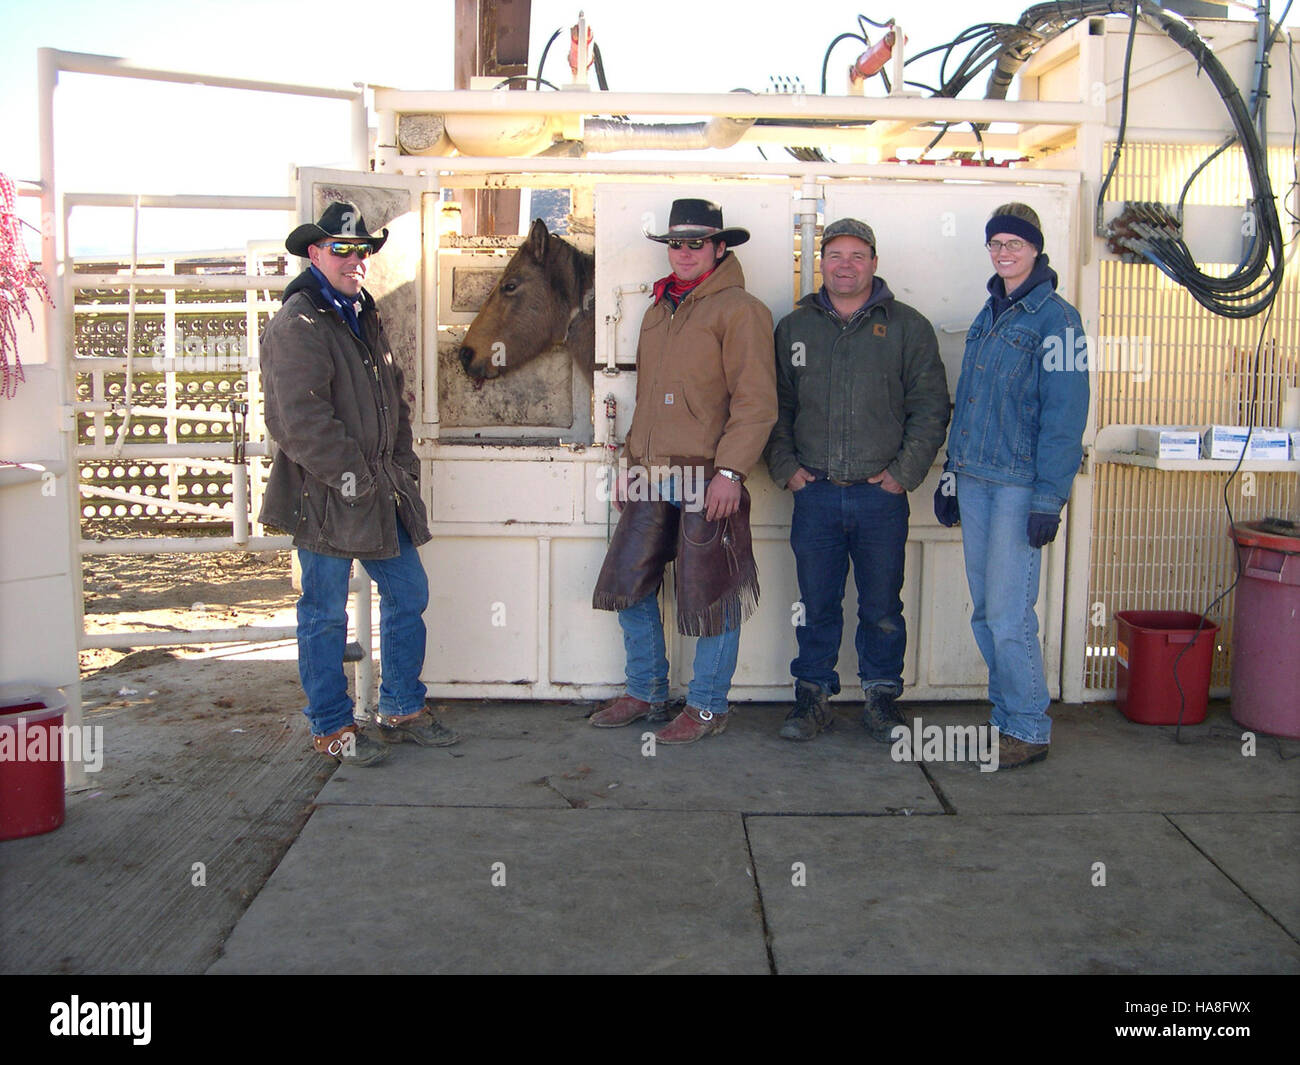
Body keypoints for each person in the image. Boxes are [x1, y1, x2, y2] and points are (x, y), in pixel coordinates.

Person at [260, 201, 457, 766]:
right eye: (342, 249)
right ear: (314, 253)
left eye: (362, 249)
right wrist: (355, 479)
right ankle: (330, 725)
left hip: (377, 489)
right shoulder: (298, 323)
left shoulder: (360, 312)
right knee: (323, 612)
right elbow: (298, 421)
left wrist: (399, 466)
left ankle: (399, 706)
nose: (355, 260)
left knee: (408, 594)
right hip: (324, 496)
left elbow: (391, 401)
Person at [590, 198, 776, 744]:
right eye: (676, 243)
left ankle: (707, 707)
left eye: (697, 243)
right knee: (632, 584)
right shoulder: (656, 312)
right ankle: (645, 690)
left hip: (708, 475)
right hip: (650, 475)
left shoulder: (741, 310)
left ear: (720, 248)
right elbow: (646, 398)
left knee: (711, 597)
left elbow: (756, 402)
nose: (685, 253)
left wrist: (732, 473)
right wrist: (630, 464)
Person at [765, 219, 949, 742]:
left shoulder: (908, 327)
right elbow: (776, 405)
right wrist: (787, 469)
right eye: (836, 255)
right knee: (816, 603)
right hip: (816, 494)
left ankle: (882, 699)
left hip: (879, 498)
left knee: (882, 606)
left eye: (857, 255)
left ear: (874, 261)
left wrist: (902, 475)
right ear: (822, 262)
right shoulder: (795, 329)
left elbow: (930, 408)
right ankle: (812, 698)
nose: (846, 265)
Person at [934, 202, 1089, 770]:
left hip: (1019, 487)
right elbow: (971, 398)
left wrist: (1049, 497)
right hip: (975, 479)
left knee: (1009, 613)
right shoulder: (990, 311)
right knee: (985, 612)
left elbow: (1066, 414)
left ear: (1035, 248)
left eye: (1014, 243)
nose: (1004, 252)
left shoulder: (1057, 319)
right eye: (996, 243)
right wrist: (952, 473)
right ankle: (1006, 720)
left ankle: (1028, 725)